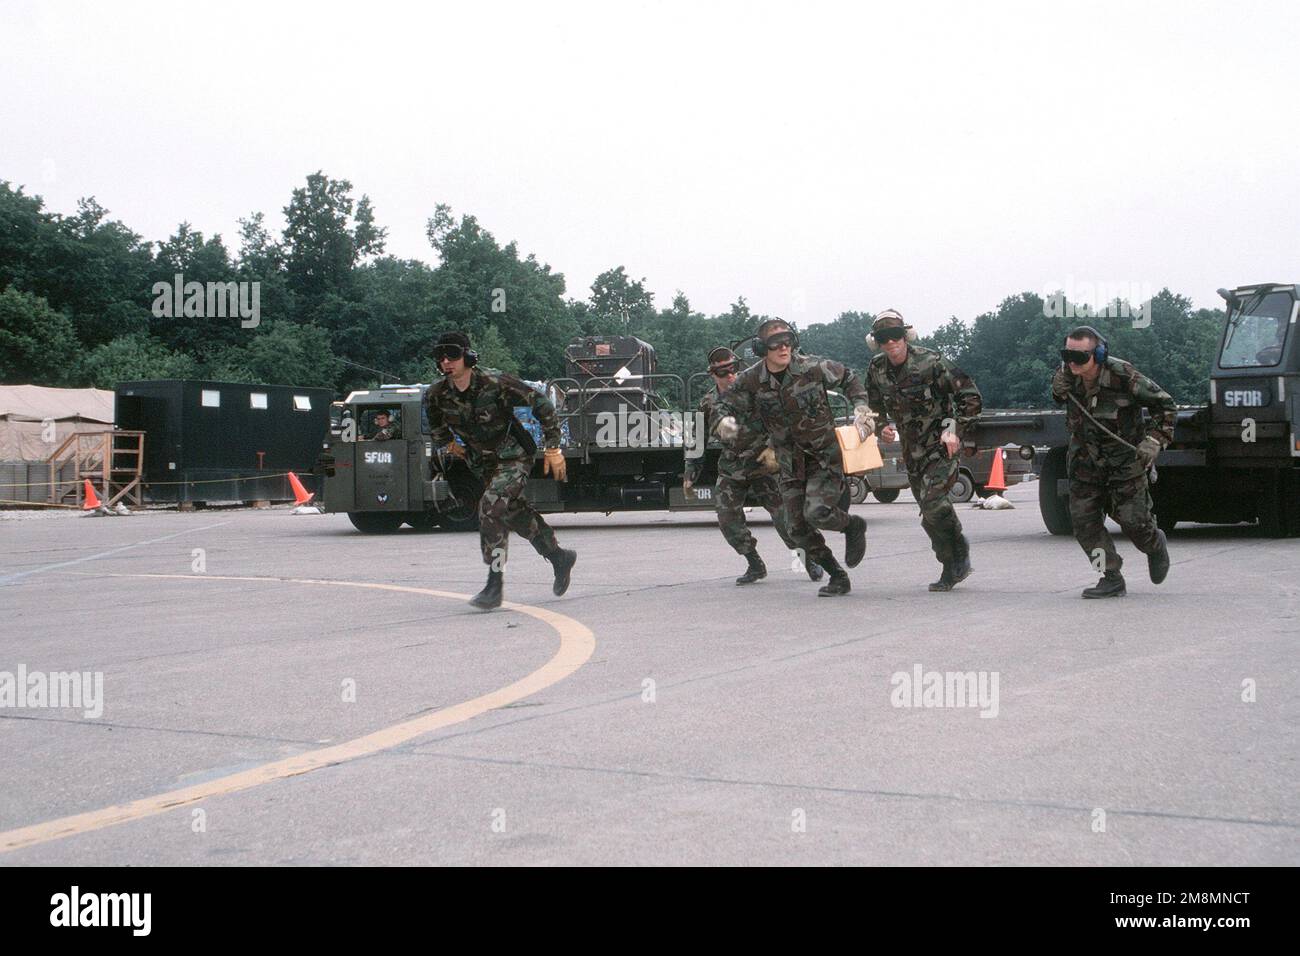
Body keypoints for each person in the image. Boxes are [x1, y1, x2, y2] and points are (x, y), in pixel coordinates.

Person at [715, 319, 873, 596]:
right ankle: (837, 575)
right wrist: (724, 420)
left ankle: (852, 526)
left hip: (823, 456)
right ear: (762, 348)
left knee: (817, 512)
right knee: (796, 529)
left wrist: (861, 407)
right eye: (775, 343)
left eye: (788, 340)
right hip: (789, 462)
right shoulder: (752, 378)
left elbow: (849, 378)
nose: (783, 347)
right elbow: (724, 401)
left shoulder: (812, 367)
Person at [424, 331, 576, 609]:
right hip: (482, 463)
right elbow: (436, 427)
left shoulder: (496, 383)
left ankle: (494, 584)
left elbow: (541, 404)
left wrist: (553, 447)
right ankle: (559, 557)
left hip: (513, 456)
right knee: (514, 513)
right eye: (440, 356)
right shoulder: (436, 395)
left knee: (490, 507)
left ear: (468, 356)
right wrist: (448, 444)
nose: (446, 361)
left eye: (452, 355)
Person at [1051, 325, 1176, 598]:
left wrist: (1154, 441)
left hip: (1124, 463)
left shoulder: (1123, 375)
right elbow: (1062, 396)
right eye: (1066, 355)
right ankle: (1110, 576)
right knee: (1084, 525)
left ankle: (1154, 544)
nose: (1071, 362)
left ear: (1098, 353)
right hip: (1085, 462)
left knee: (1134, 523)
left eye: (1079, 357)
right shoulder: (1067, 374)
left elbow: (1165, 406)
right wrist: (1057, 390)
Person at [864, 309, 982, 591]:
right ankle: (951, 559)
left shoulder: (931, 362)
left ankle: (955, 560)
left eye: (896, 335)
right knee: (929, 513)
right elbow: (874, 406)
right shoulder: (876, 369)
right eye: (884, 338)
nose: (891, 343)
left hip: (940, 448)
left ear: (905, 336)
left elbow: (969, 396)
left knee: (934, 504)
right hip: (911, 452)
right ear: (877, 342)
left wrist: (955, 429)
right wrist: (882, 426)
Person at [685, 346, 824, 585]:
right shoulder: (708, 403)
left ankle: (808, 557)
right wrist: (690, 472)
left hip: (766, 465)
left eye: (734, 369)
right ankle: (754, 563)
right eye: (723, 372)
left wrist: (774, 447)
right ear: (712, 374)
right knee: (727, 518)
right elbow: (696, 440)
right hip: (733, 466)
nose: (730, 376)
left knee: (786, 519)